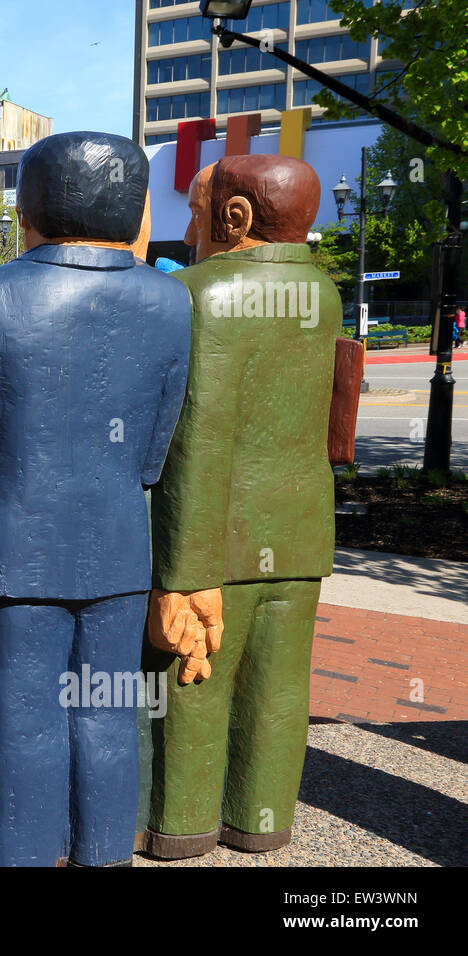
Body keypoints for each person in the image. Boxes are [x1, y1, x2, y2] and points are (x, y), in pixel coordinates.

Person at [0, 131, 191, 866]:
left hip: (19, 532)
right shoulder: (169, 298)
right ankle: (101, 850)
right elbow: (156, 443)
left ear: (33, 203)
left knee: (22, 709)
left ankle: (18, 850)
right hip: (117, 528)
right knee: (109, 711)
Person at [144, 154, 343, 860]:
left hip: (217, 538)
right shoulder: (323, 294)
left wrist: (185, 571)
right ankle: (260, 822)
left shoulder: (200, 295)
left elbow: (201, 438)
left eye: (200, 212)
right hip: (299, 531)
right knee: (279, 688)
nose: (192, 226)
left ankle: (183, 824)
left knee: (193, 680)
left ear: (237, 217)